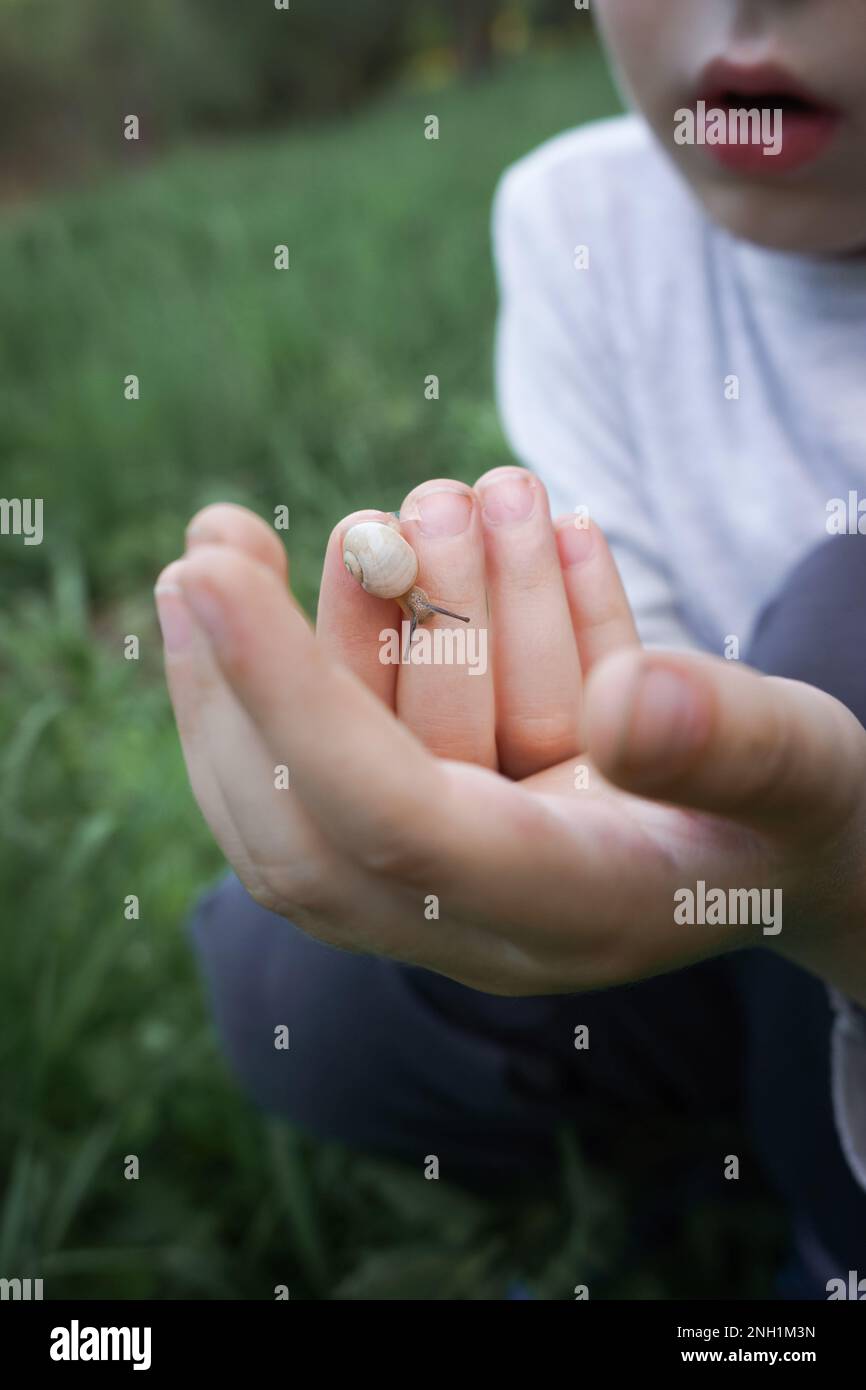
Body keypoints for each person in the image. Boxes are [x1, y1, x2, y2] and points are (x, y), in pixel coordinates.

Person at [154, 0, 866, 1296]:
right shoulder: (577, 218)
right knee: (299, 979)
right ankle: (772, 1091)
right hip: (725, 903)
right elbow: (626, 673)